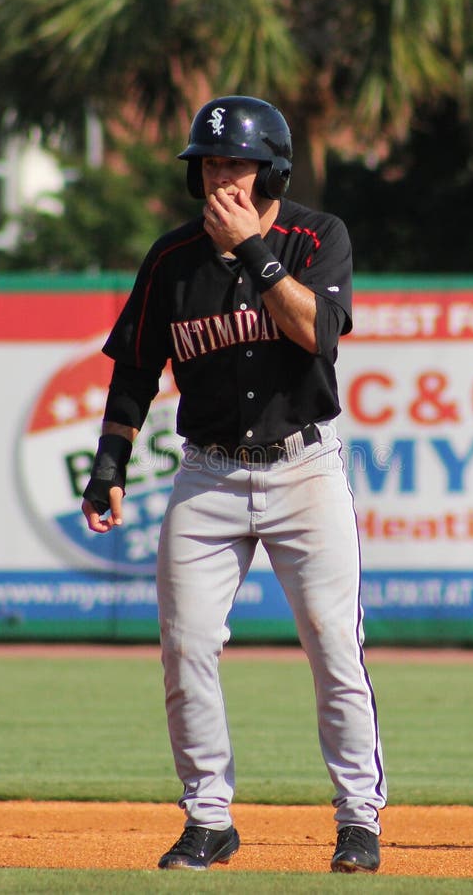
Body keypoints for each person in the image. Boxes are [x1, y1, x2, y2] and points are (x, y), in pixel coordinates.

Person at [81, 95, 387, 874]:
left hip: (304, 467)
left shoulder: (318, 237)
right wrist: (109, 462)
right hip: (207, 474)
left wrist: (254, 250)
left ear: (273, 169)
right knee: (186, 648)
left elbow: (315, 330)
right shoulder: (172, 258)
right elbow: (135, 369)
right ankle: (209, 819)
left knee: (332, 648)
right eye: (211, 163)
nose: (222, 176)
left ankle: (358, 821)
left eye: (238, 163)